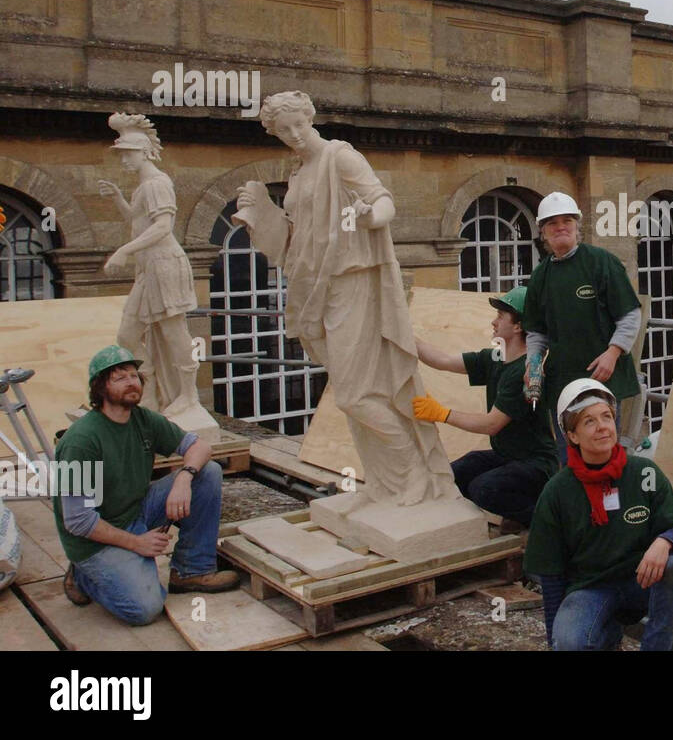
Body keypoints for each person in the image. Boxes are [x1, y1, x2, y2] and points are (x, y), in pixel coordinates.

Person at [235, 91, 459, 507]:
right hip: (317, 287)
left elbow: (382, 200)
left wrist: (369, 216)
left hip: (352, 283)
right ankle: (385, 482)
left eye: (299, 124)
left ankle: (415, 473)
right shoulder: (300, 175)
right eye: (284, 131)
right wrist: (262, 212)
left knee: (355, 393)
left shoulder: (340, 158)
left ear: (310, 117)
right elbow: (295, 239)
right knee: (352, 388)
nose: (295, 135)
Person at [55, 345, 237, 625]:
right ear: (100, 388)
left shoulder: (144, 420)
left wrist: (184, 477)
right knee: (144, 609)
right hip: (95, 540)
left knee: (207, 473)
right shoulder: (82, 441)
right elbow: (78, 521)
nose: (131, 382)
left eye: (134, 375)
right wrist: (137, 543)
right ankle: (83, 576)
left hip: (137, 510)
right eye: (120, 377)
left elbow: (199, 447)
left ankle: (191, 570)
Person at [524, 378, 673, 651]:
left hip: (640, 581)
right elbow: (551, 576)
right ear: (573, 436)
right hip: (590, 589)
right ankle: (605, 633)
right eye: (589, 421)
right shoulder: (557, 491)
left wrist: (665, 541)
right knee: (570, 642)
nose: (602, 426)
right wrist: (554, 641)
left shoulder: (643, 473)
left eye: (606, 416)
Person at [410, 285, 556, 527]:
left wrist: (442, 413)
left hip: (536, 464)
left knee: (484, 489)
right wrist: (408, 338)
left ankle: (545, 524)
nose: (493, 322)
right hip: (507, 456)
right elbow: (443, 361)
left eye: (500, 316)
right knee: (452, 476)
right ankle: (517, 514)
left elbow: (492, 424)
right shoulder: (496, 358)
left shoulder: (525, 372)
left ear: (518, 326)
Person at [521, 192, 643, 465]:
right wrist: (533, 362)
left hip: (602, 379)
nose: (560, 227)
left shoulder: (601, 262)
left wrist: (613, 352)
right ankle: (577, 507)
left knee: (602, 450)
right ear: (543, 232)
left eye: (567, 221)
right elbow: (537, 332)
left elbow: (630, 315)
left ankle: (609, 505)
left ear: (577, 227)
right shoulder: (541, 275)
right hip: (562, 380)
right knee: (569, 456)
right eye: (552, 223)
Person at [97, 113, 201, 419]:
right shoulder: (142, 187)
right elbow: (136, 218)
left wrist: (123, 251)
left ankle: (189, 395)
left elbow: (162, 228)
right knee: (128, 335)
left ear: (143, 152)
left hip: (165, 265)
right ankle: (151, 390)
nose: (124, 160)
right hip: (148, 270)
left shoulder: (157, 183)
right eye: (122, 154)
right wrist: (117, 197)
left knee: (174, 333)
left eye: (128, 154)